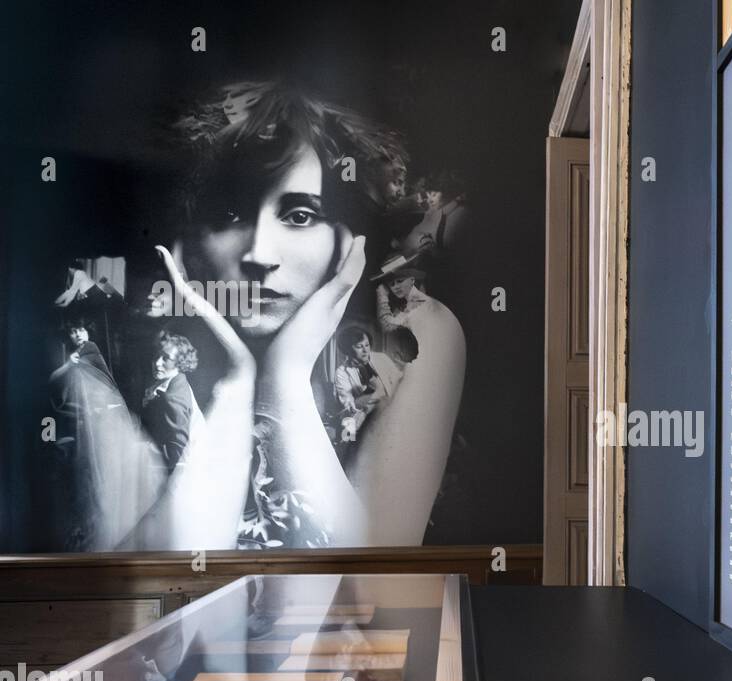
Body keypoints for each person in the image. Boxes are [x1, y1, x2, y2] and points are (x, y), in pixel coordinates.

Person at [106, 81, 465, 550]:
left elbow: (377, 585)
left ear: (350, 238)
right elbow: (160, 596)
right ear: (185, 241)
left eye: (300, 215)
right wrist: (236, 386)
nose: (259, 253)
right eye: (230, 214)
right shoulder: (132, 352)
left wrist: (286, 375)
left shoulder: (423, 334)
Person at [140, 332, 201, 473]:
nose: (157, 363)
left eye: (166, 358)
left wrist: (142, 449)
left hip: (186, 471)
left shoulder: (173, 397)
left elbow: (178, 455)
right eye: (156, 356)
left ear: (180, 362)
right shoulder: (172, 382)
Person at [333, 326, 401, 442]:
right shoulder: (341, 373)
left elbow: (399, 381)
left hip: (394, 414)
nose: (365, 350)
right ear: (348, 350)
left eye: (367, 345)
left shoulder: (382, 358)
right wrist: (369, 390)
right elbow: (350, 408)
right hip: (367, 422)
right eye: (359, 346)